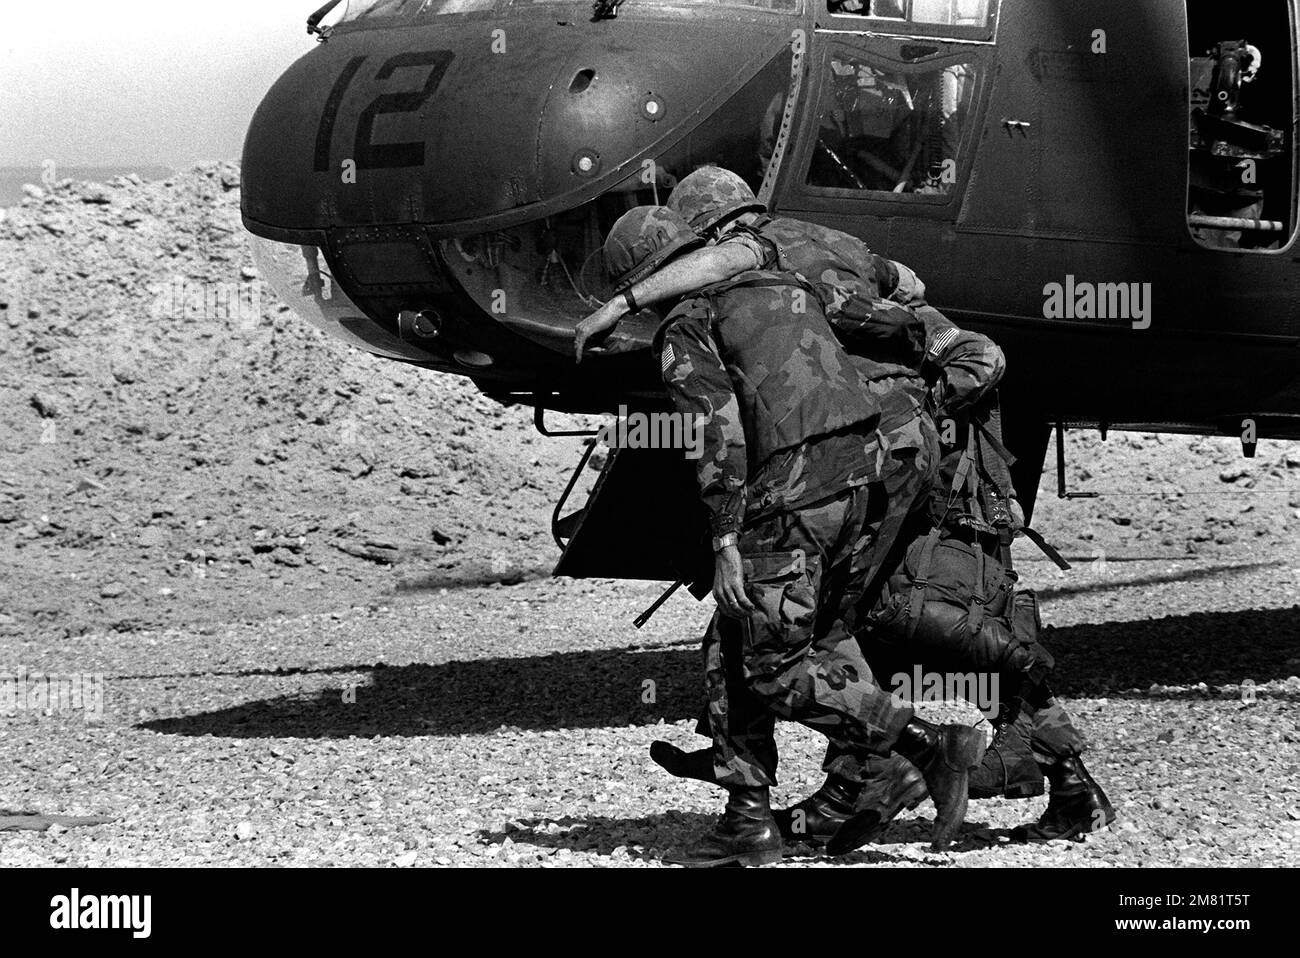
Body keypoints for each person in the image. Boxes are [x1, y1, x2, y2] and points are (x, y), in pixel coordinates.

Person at [602, 206, 987, 866]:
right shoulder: (784, 283)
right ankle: (747, 819)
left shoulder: (686, 324)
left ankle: (924, 746)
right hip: (865, 483)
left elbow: (715, 436)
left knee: (774, 668)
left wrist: (725, 542)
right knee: (755, 632)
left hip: (796, 493)